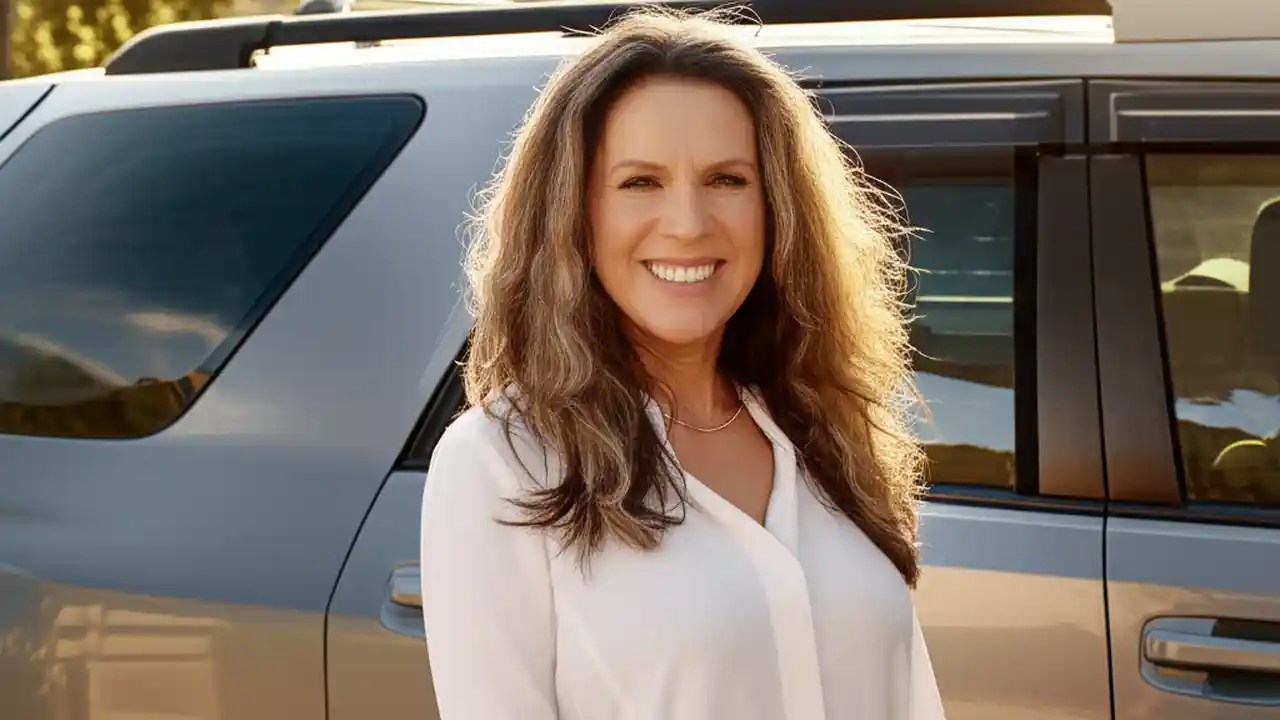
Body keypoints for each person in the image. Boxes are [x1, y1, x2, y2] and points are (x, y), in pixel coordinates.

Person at [419, 8, 945, 719]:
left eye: (728, 179)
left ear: (778, 207)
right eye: (640, 182)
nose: (690, 223)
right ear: (574, 212)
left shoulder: (831, 428)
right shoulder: (500, 465)